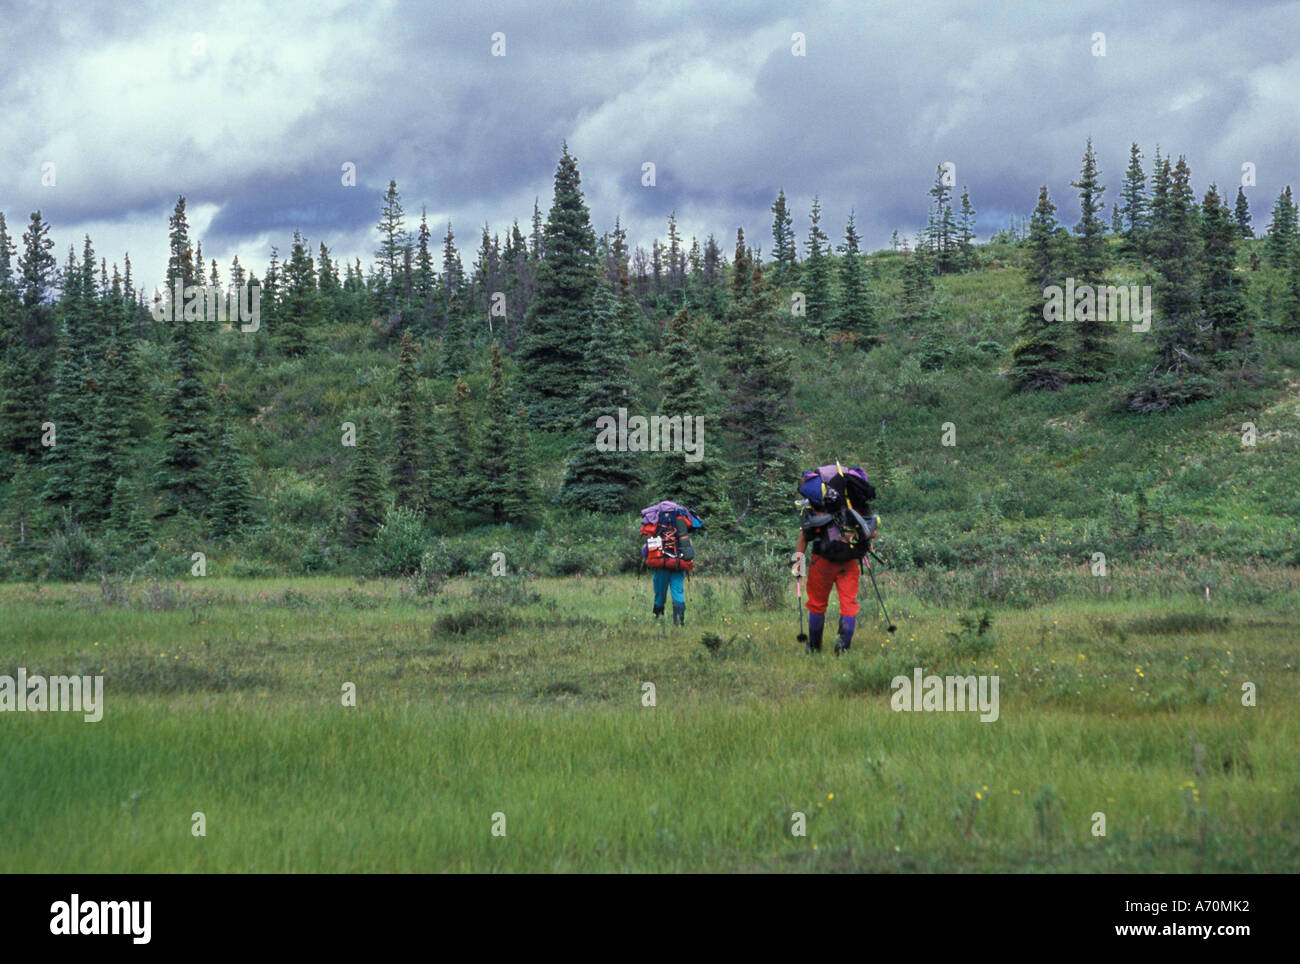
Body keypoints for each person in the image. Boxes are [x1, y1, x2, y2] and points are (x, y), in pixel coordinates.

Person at [640, 501, 701, 627]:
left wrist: (645, 551)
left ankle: (658, 621)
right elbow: (691, 552)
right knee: (678, 593)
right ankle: (679, 624)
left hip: (660, 566)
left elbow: (645, 552)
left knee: (659, 595)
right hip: (678, 565)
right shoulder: (681, 530)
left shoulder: (656, 529)